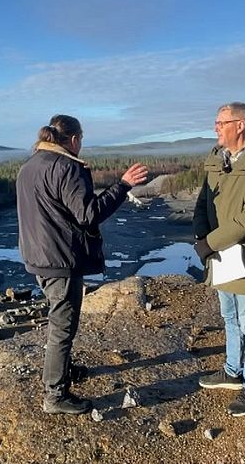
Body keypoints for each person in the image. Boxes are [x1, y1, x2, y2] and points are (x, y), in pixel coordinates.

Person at [16, 114, 149, 415]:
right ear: (74, 140)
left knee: (59, 319)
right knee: (63, 326)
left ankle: (61, 370)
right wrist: (123, 185)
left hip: (38, 257)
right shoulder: (67, 167)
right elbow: (88, 215)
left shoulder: (29, 166)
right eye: (82, 139)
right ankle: (55, 395)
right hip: (60, 259)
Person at [192, 102, 245, 416]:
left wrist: (209, 243)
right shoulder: (216, 160)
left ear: (239, 125)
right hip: (219, 251)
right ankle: (232, 370)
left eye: (220, 122)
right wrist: (200, 237)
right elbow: (203, 202)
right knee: (229, 316)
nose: (215, 127)